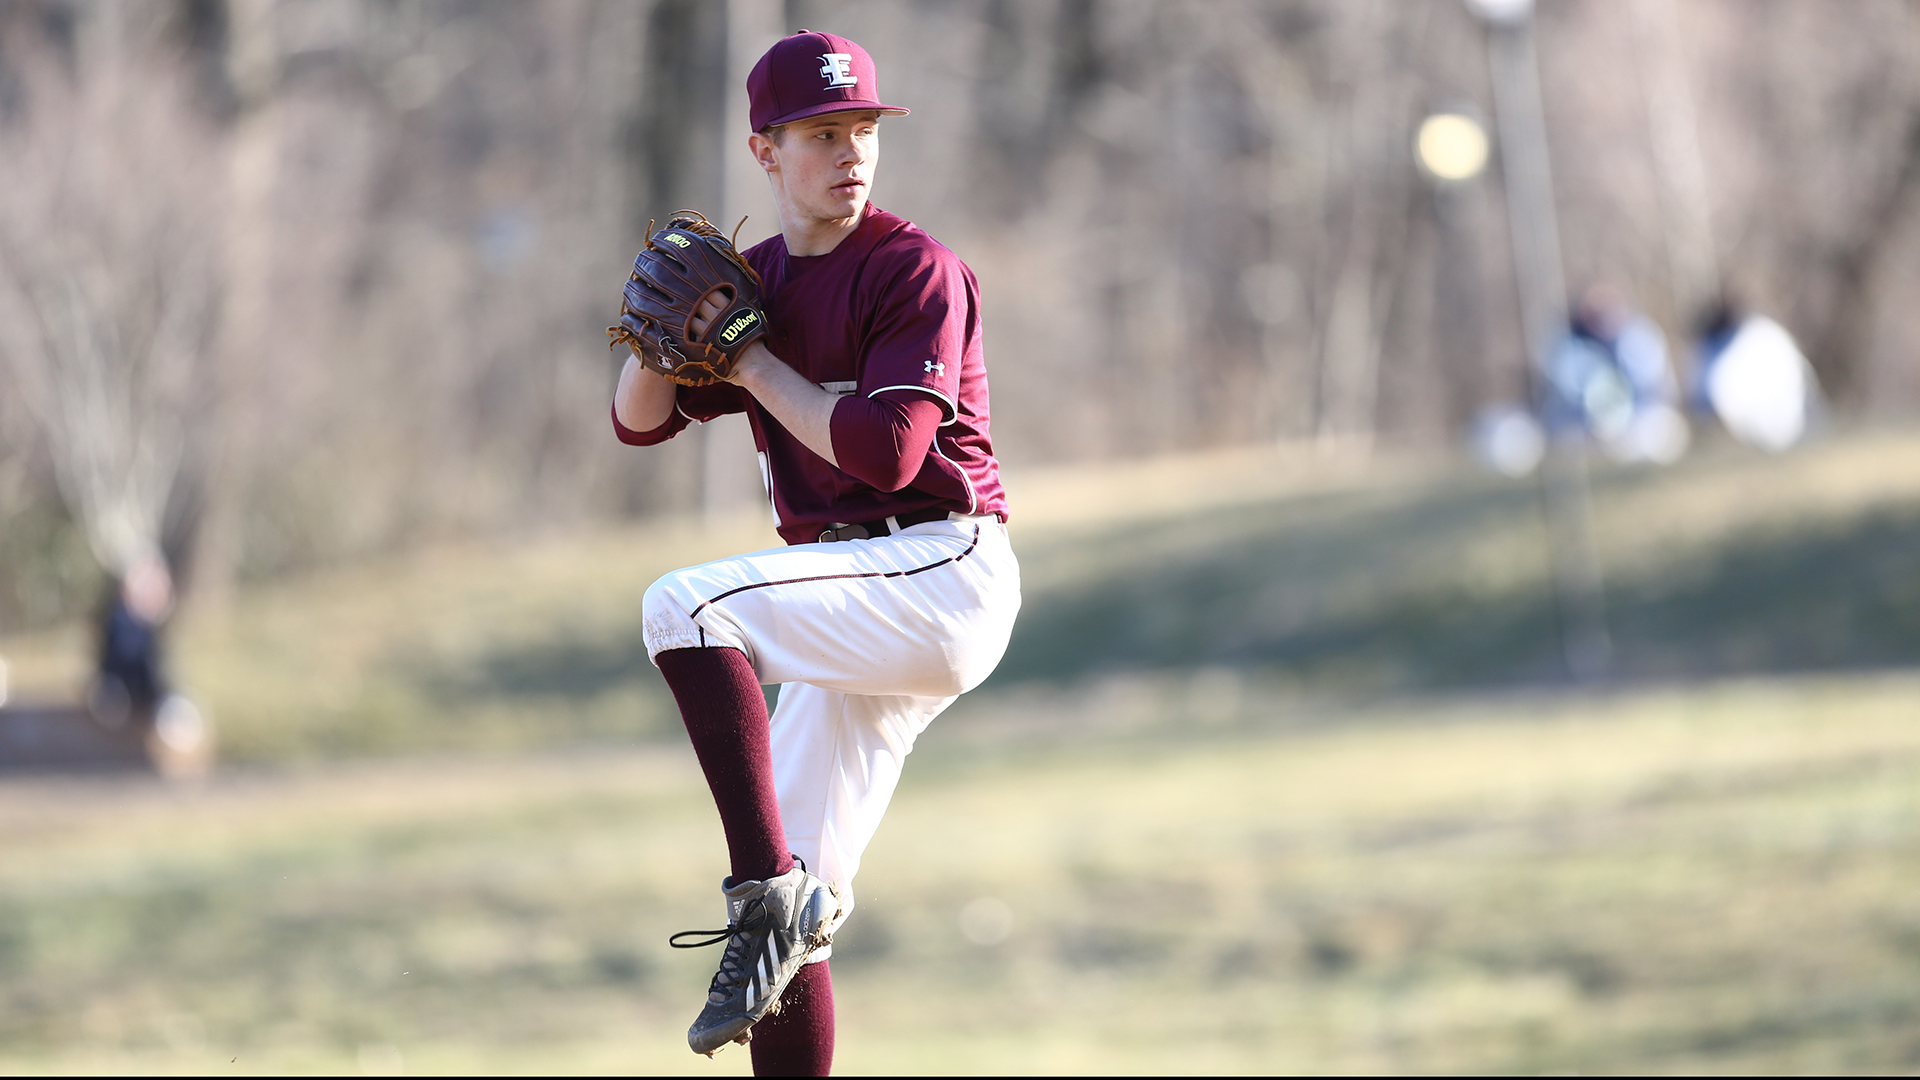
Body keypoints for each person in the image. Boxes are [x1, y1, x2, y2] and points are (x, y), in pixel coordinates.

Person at [609, 30, 1019, 1074]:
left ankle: (763, 894)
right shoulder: (762, 280)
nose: (852, 152)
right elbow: (639, 424)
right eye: (824, 133)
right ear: (765, 151)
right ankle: (780, 901)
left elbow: (887, 453)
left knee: (686, 608)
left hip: (939, 569)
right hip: (850, 599)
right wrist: (648, 334)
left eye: (864, 130)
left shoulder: (913, 267)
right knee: (803, 917)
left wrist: (748, 362)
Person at [1541, 283, 1689, 464]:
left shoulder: (1639, 334)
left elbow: (1654, 387)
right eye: (1593, 313)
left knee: (1661, 429)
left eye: (1606, 309)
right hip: (1587, 427)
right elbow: (1568, 392)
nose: (1601, 318)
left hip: (1641, 417)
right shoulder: (1570, 344)